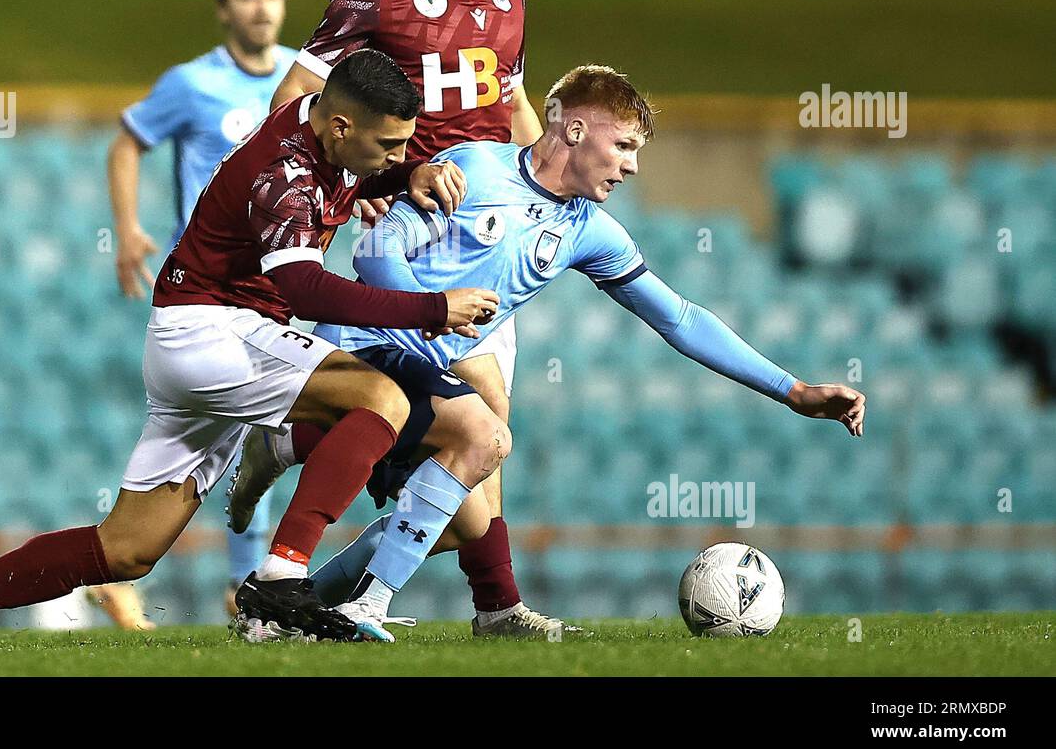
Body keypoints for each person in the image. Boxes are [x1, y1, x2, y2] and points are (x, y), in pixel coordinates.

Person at [0, 49, 498, 648]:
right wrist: (434, 309)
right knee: (379, 397)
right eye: (389, 143)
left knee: (127, 549)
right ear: (337, 126)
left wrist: (408, 174)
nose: (399, 153)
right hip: (214, 332)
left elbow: (356, 177)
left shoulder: (322, 139)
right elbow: (305, 289)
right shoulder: (285, 174)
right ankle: (281, 576)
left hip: (198, 338)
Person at [231, 65, 867, 639]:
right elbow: (374, 253)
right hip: (373, 349)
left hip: (438, 372)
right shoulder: (474, 172)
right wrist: (431, 313)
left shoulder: (590, 232)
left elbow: (679, 318)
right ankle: (360, 601)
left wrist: (793, 390)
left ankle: (288, 598)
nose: (632, 167)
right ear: (574, 130)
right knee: (485, 440)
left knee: (459, 525)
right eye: (623, 146)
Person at [260, 0, 560, 637]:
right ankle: (491, 606)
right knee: (483, 425)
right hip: (417, 237)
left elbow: (514, 111)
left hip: (494, 241)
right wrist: (338, 186)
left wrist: (553, 204)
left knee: (475, 471)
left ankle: (300, 498)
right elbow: (297, 99)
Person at [102, 0, 297, 621]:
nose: (262, 8)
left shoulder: (305, 79)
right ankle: (247, 588)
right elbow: (127, 141)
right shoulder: (192, 85)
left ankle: (126, 566)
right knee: (253, 430)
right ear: (224, 9)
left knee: (239, 435)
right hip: (211, 289)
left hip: (280, 279)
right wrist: (127, 228)